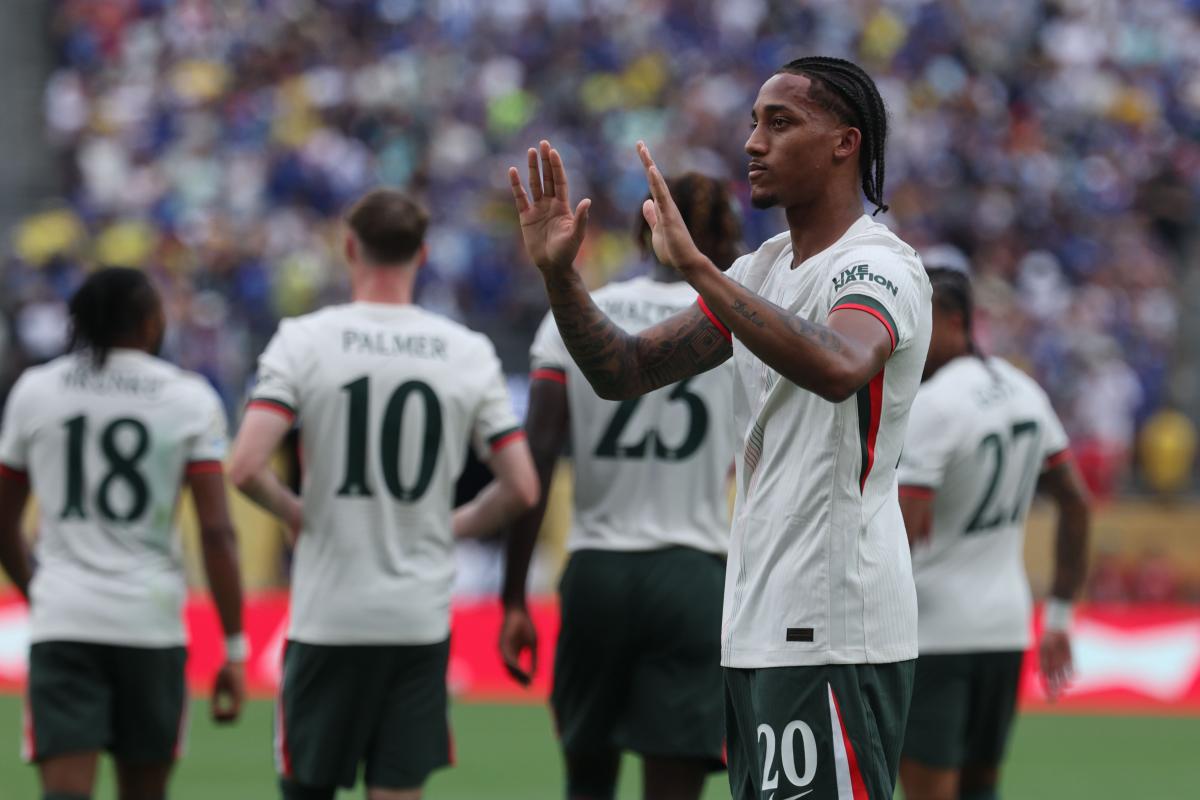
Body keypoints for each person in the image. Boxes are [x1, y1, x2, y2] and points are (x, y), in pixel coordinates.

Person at [509, 55, 932, 800]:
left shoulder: (878, 266)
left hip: (835, 620)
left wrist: (700, 270)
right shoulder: (764, 268)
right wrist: (559, 276)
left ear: (846, 143)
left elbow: (841, 365)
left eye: (780, 122)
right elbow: (624, 371)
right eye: (752, 123)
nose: (753, 142)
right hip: (758, 619)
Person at [228, 188, 539, 800]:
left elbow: (243, 466)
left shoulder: (304, 338)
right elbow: (522, 486)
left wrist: (299, 513)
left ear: (349, 248)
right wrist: (450, 524)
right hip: (417, 618)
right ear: (422, 255)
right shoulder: (467, 351)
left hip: (328, 617)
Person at [501, 172, 742, 800]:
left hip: (598, 570)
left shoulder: (579, 313)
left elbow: (539, 452)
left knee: (588, 779)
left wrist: (512, 598)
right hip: (693, 570)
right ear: (724, 236)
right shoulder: (737, 323)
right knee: (674, 784)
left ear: (643, 228)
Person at [0, 267, 246, 800]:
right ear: (150, 321)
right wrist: (233, 646)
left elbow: (3, 518)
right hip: (149, 622)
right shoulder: (188, 397)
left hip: (65, 617)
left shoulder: (35, 391)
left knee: (65, 794)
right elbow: (217, 532)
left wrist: (37, 590)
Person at [897, 265, 1090, 800]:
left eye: (917, 320)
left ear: (954, 320)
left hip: (933, 634)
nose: (903, 334)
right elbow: (1076, 502)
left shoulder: (934, 405)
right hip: (1006, 629)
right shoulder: (1024, 390)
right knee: (980, 787)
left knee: (928, 790)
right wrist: (1059, 616)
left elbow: (903, 532)